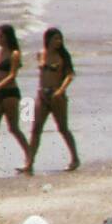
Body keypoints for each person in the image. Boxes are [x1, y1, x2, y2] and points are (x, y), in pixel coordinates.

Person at [23, 28, 79, 172]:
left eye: (60, 39)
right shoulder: (41, 54)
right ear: (47, 39)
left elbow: (70, 75)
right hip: (42, 95)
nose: (58, 42)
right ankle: (29, 163)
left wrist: (61, 91)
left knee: (63, 128)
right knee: (36, 130)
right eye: (55, 39)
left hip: (57, 95)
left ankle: (75, 158)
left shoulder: (63, 56)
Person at [0, 25, 31, 174]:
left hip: (10, 94)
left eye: (0, 36)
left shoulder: (14, 54)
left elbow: (12, 75)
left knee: (14, 128)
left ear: (8, 37)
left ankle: (29, 156)